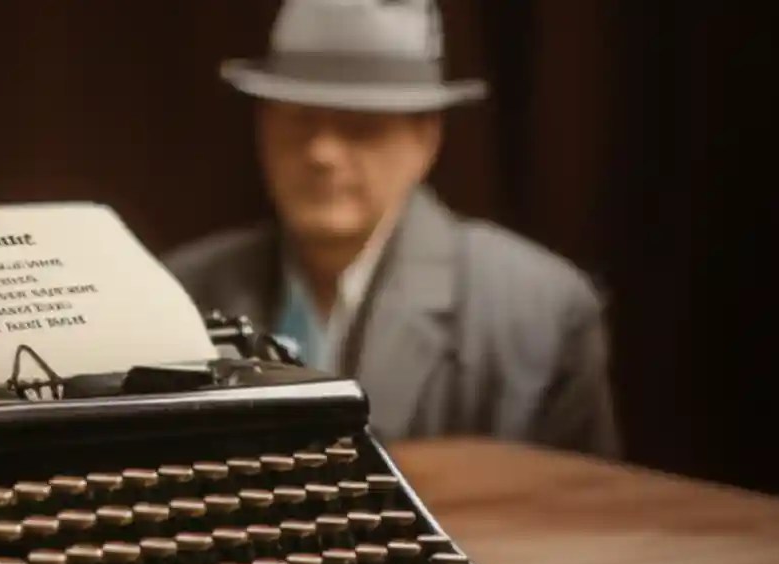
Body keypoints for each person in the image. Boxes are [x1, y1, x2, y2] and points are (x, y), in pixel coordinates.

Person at [164, 0, 620, 457]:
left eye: (359, 126)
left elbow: (583, 512)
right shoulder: (173, 291)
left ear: (426, 138)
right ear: (262, 123)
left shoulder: (540, 313)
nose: (322, 153)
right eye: (299, 118)